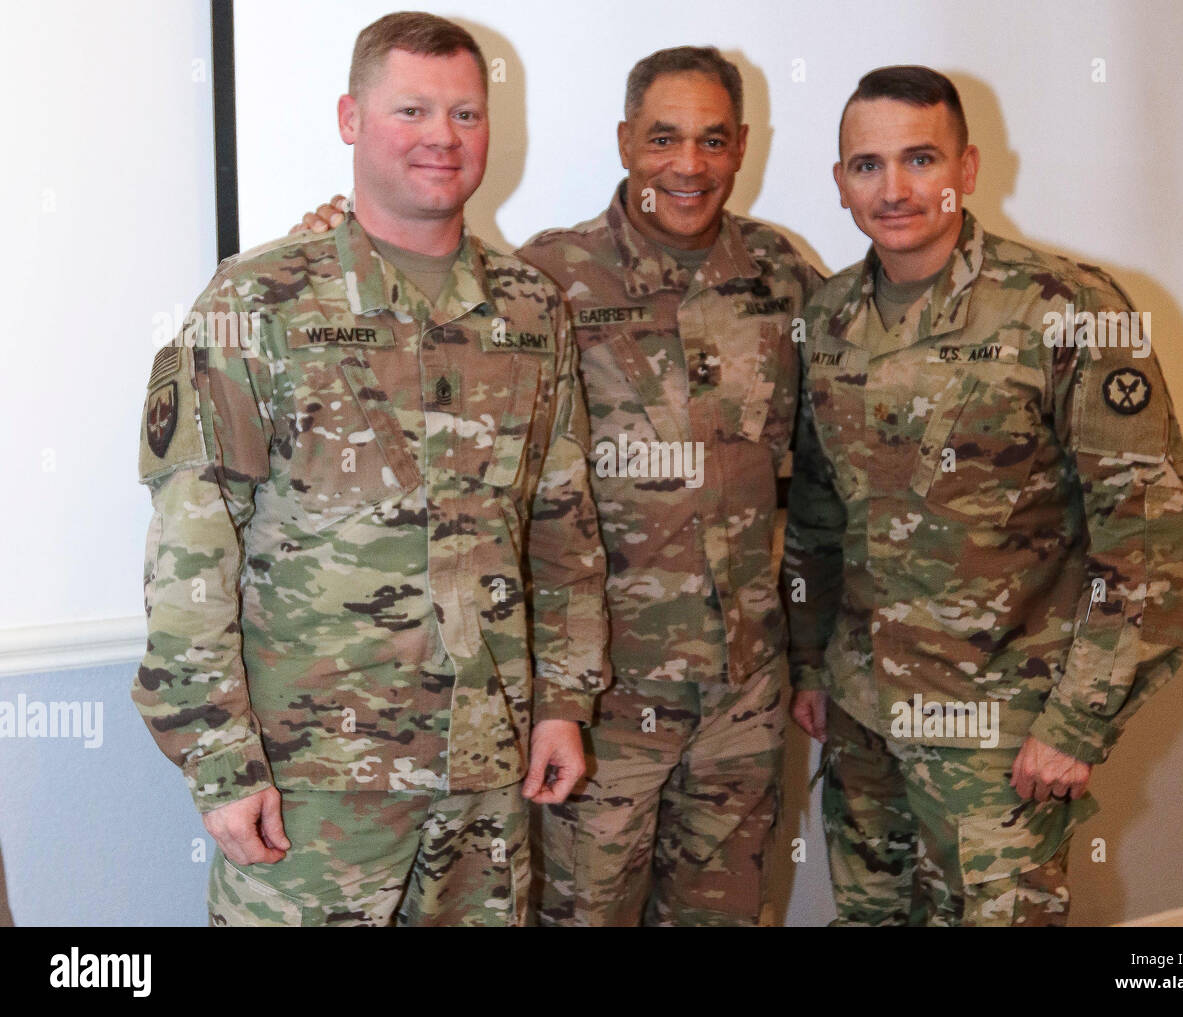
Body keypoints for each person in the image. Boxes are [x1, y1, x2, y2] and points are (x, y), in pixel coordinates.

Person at [305, 46, 822, 925]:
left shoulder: (783, 278)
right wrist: (333, 240)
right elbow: (424, 342)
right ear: (624, 141)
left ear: (741, 146)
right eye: (663, 137)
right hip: (599, 702)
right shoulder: (546, 280)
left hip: (743, 697)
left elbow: (852, 416)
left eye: (712, 140)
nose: (688, 165)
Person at [133, 11, 609, 927]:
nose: (443, 137)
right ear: (351, 119)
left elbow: (563, 526)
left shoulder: (529, 309)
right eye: (412, 110)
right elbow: (193, 546)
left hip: (484, 768)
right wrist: (219, 757)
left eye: (465, 114)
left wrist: (564, 701)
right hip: (311, 783)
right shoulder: (257, 301)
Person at [783, 65, 1183, 926]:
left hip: (1000, 732)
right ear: (840, 182)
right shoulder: (826, 318)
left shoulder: (1068, 309)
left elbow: (1146, 536)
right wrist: (813, 662)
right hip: (865, 720)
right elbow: (820, 513)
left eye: (920, 158)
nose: (894, 189)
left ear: (966, 169)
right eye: (867, 165)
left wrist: (1078, 723)